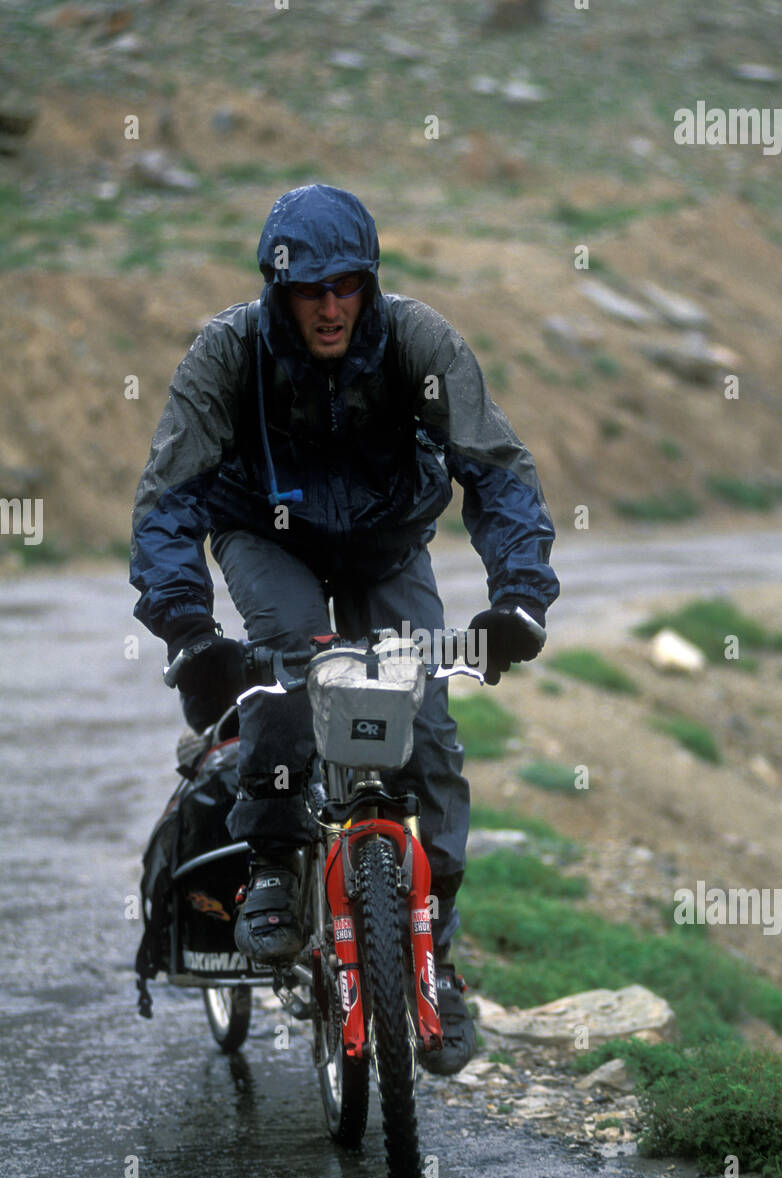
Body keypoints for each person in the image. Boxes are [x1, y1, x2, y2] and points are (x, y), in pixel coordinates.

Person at [130, 184, 559, 1073]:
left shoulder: (419, 342)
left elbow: (498, 470)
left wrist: (518, 596)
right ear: (275, 290)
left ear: (370, 282)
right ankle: (280, 868)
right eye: (308, 289)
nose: (329, 306)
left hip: (387, 546)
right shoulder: (226, 353)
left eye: (346, 285)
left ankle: (433, 955)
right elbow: (168, 499)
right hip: (262, 536)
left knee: (428, 729)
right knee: (289, 675)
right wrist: (187, 631)